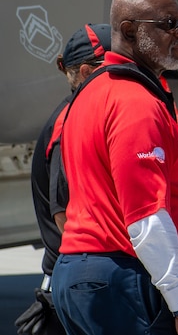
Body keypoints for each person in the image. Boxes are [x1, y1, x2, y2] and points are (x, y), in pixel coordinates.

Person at [51, 0, 178, 335]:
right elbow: (146, 218)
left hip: (88, 275)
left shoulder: (92, 92)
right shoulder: (134, 103)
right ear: (129, 31)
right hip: (121, 278)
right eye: (168, 24)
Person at [17, 25, 109, 335]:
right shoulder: (68, 123)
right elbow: (64, 217)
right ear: (86, 71)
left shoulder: (82, 114)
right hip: (80, 288)